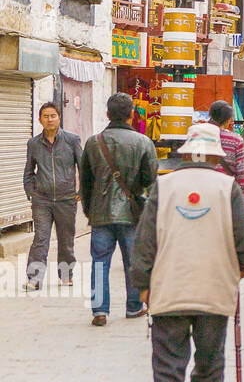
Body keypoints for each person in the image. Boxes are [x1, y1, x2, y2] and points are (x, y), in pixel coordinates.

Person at [129, 122, 244, 382]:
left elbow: (144, 241)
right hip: (214, 289)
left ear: (186, 153)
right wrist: (243, 264)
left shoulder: (165, 184)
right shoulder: (227, 186)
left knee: (168, 363)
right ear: (216, 157)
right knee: (209, 361)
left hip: (168, 288)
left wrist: (142, 282)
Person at [79, 92, 157, 325]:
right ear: (132, 114)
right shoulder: (144, 142)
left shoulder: (94, 142)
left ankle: (100, 311)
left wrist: (89, 209)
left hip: (100, 214)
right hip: (133, 215)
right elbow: (150, 180)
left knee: (99, 262)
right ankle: (133, 307)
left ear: (107, 114)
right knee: (133, 262)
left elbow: (85, 181)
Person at [23, 102, 82, 291]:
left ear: (59, 117)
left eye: (53, 115)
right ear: (40, 120)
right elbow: (29, 171)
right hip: (42, 200)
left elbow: (83, 167)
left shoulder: (72, 140)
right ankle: (34, 278)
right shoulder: (34, 143)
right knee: (40, 238)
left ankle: (66, 275)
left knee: (66, 239)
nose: (49, 119)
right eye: (46, 116)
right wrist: (32, 193)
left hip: (66, 199)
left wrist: (82, 192)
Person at [208, 101, 244, 205]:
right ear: (228, 120)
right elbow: (242, 173)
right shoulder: (236, 140)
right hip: (226, 193)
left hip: (203, 192)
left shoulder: (199, 136)